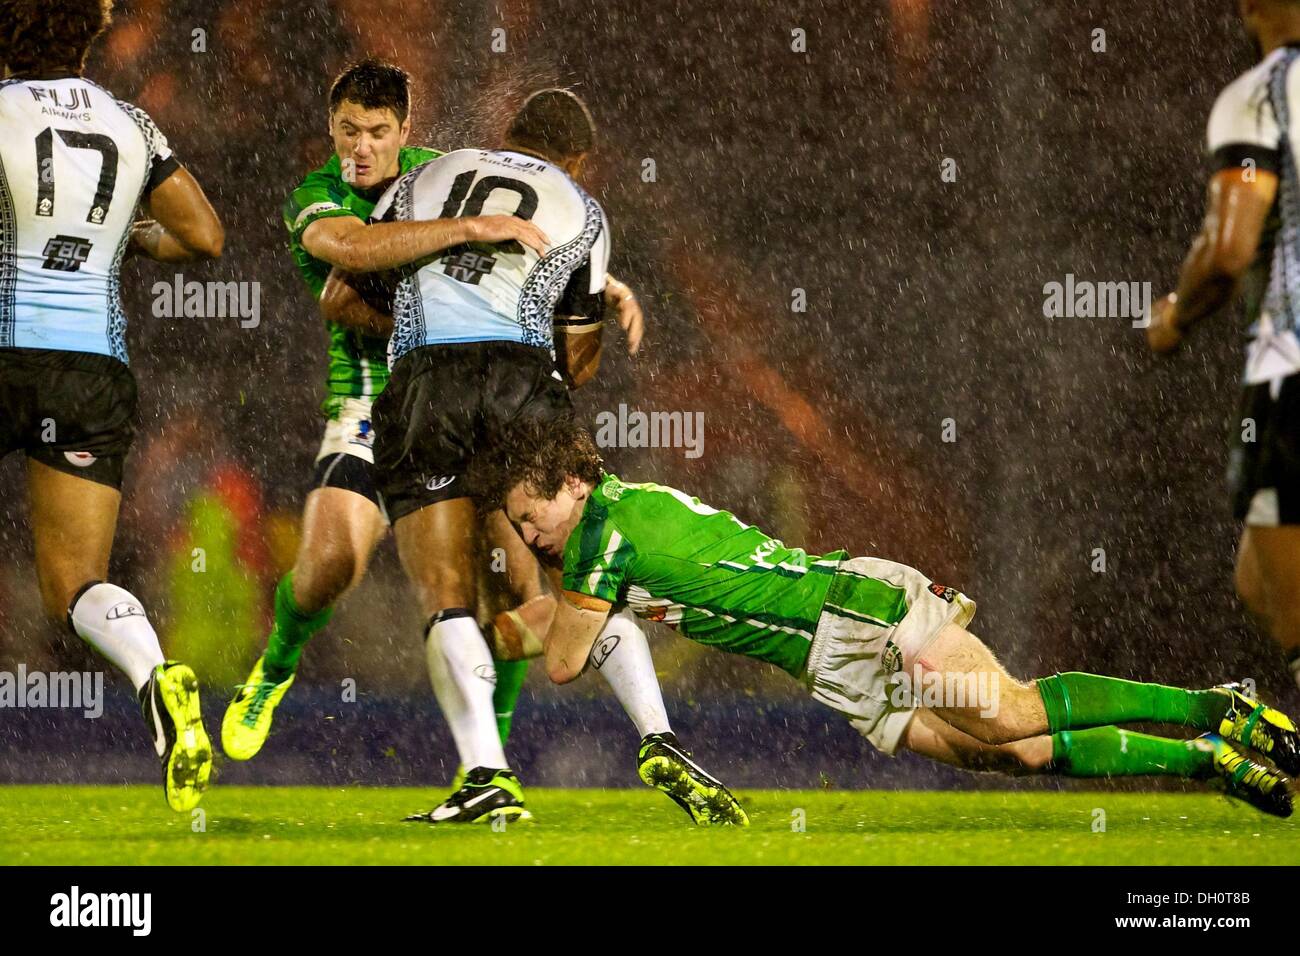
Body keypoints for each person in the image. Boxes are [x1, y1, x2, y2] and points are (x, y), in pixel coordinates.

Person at [473, 415, 1300, 819]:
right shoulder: (617, 518)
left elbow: (565, 658)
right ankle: (1204, 761)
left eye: (532, 510)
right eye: (517, 521)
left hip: (854, 614)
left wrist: (516, 627)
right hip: (828, 660)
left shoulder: (599, 544)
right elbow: (576, 614)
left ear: (573, 484)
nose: (529, 528)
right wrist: (491, 637)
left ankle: (1217, 708)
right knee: (1009, 754)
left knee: (1010, 710)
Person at [352, 88, 745, 824]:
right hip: (521, 386)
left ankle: (486, 776)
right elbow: (578, 355)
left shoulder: (424, 178)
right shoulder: (581, 207)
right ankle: (659, 736)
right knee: (581, 580)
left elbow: (355, 286)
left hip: (428, 381)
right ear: (576, 158)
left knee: (444, 592)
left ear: (510, 133)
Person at [0, 0, 224, 810]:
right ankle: (155, 675)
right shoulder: (130, 122)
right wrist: (121, 235)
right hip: (90, 368)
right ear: (87, 34)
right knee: (75, 582)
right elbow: (203, 236)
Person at [1146, 0, 1300, 689]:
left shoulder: (1261, 93)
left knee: (1292, 608)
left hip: (1291, 372)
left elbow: (1230, 248)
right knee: (1255, 579)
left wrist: (1177, 314)